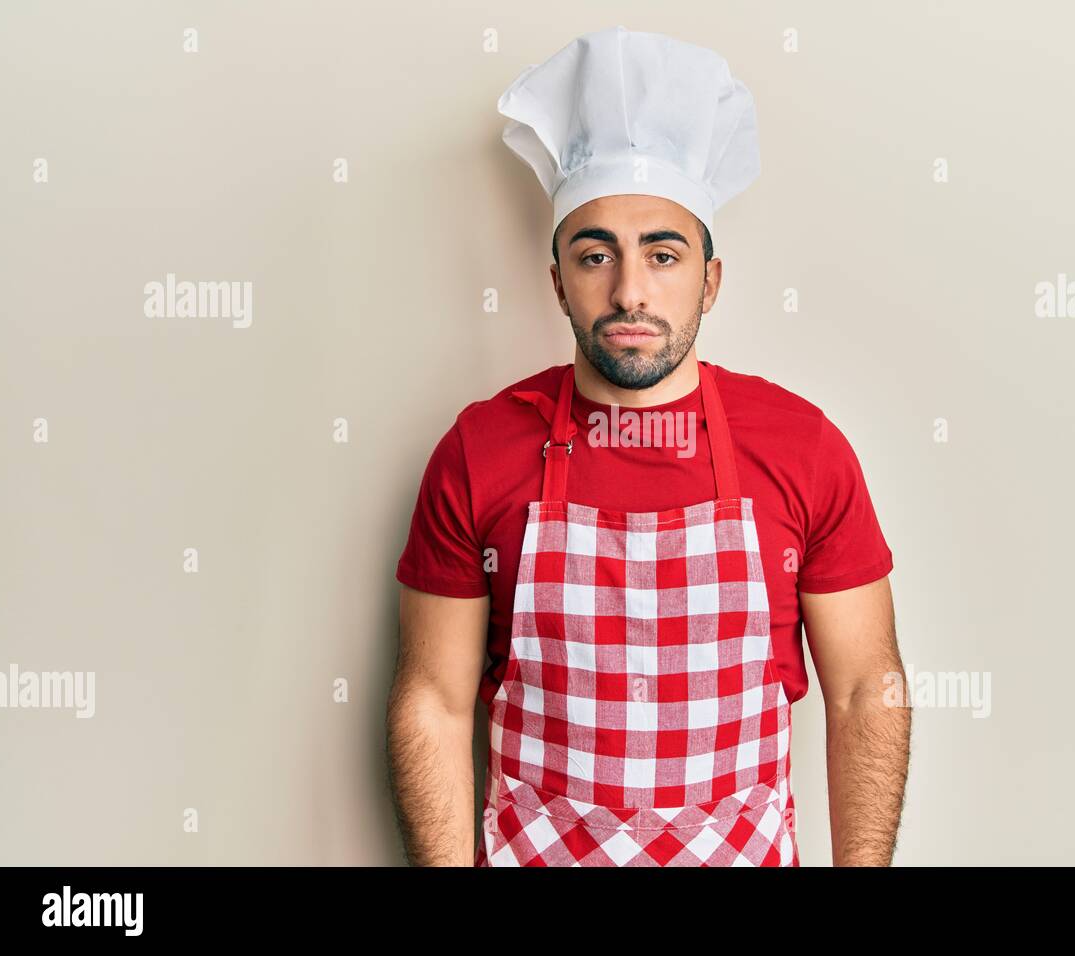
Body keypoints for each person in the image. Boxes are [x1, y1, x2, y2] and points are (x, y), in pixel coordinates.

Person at [388, 25, 908, 867]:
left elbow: (863, 697)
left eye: (663, 254)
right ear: (557, 277)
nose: (630, 291)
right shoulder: (478, 450)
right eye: (596, 255)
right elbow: (433, 702)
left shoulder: (805, 448)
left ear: (709, 277)